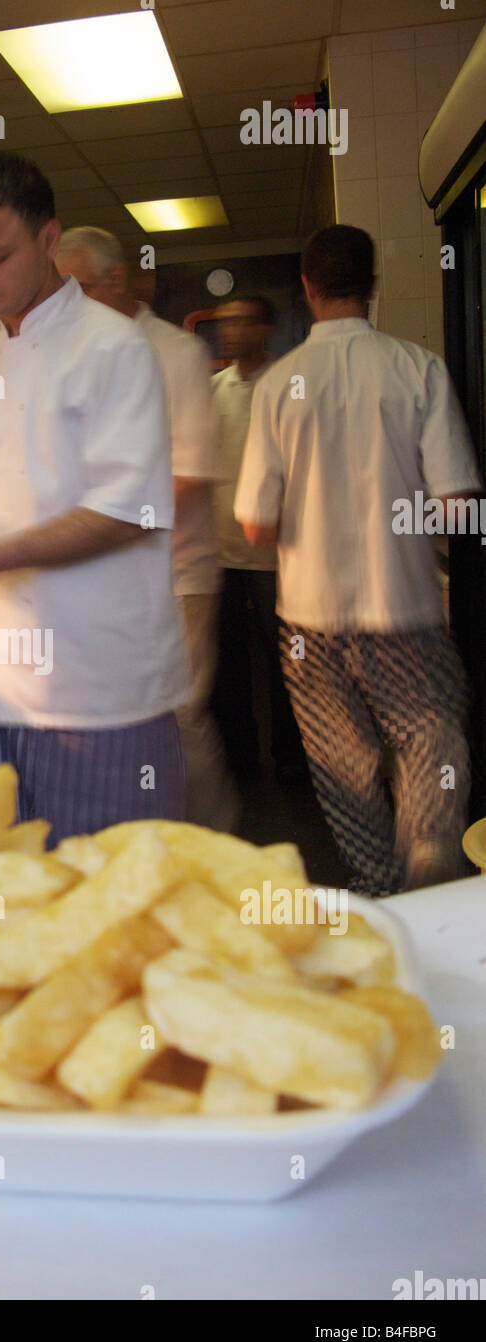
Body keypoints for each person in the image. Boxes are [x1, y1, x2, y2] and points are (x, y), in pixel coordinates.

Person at [0, 153, 191, 844]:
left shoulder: (114, 349)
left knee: (111, 918)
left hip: (98, 695)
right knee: (28, 909)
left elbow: (129, 509)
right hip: (7, 693)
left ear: (49, 241)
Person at [235, 223, 481, 895]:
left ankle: (376, 892)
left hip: (309, 625)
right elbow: (459, 506)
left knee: (344, 774)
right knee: (430, 746)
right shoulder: (417, 368)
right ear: (373, 287)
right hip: (403, 610)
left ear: (308, 289)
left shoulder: (276, 386)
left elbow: (256, 525)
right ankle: (430, 880)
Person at [55, 225, 238, 832]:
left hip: (175, 576)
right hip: (106, 581)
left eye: (77, 286)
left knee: (177, 718)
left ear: (118, 279)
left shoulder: (173, 352)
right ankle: (153, 856)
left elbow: (187, 477)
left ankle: (221, 850)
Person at [209, 296, 306, 786]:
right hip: (221, 550)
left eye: (242, 321)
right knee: (227, 662)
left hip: (274, 552)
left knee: (284, 660)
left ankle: (290, 758)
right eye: (225, 322)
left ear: (266, 328)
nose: (230, 330)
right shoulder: (213, 390)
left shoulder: (288, 383)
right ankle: (240, 758)